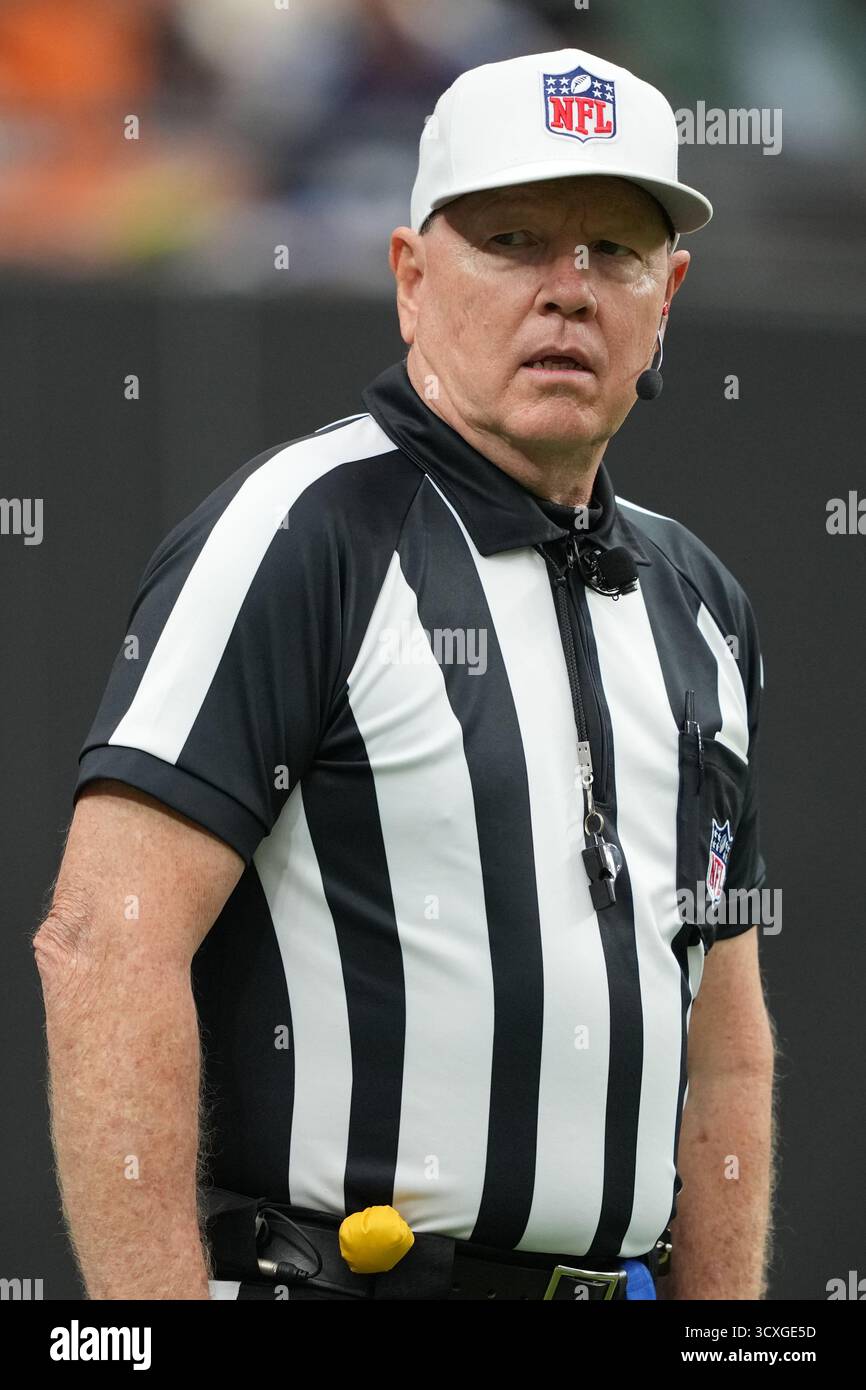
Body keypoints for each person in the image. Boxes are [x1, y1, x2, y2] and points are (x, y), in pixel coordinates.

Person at [33, 47, 776, 1301]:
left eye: (615, 251)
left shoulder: (696, 601)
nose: (567, 290)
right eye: (512, 239)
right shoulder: (301, 530)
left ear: (670, 296)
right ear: (409, 280)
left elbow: (725, 1032)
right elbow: (104, 943)